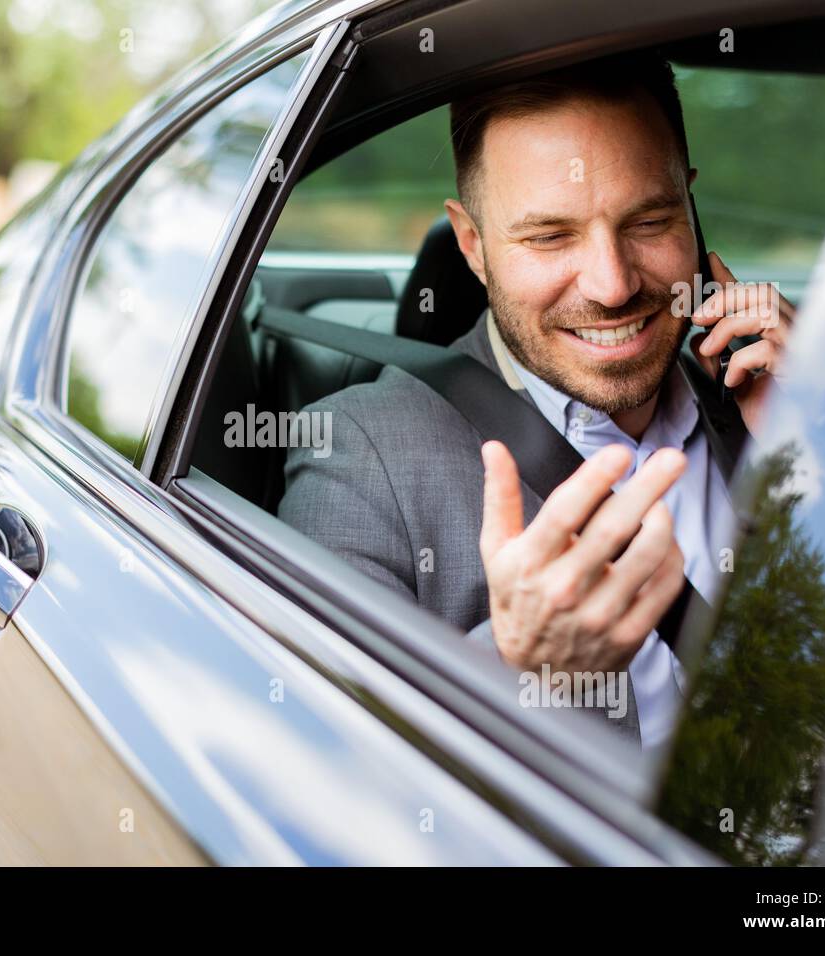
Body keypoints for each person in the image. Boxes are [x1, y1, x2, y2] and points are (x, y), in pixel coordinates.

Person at [277, 53, 794, 748]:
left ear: (691, 210)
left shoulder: (777, 395)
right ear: (473, 245)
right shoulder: (359, 457)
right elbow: (326, 770)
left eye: (649, 222)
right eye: (550, 236)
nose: (612, 285)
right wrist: (522, 669)